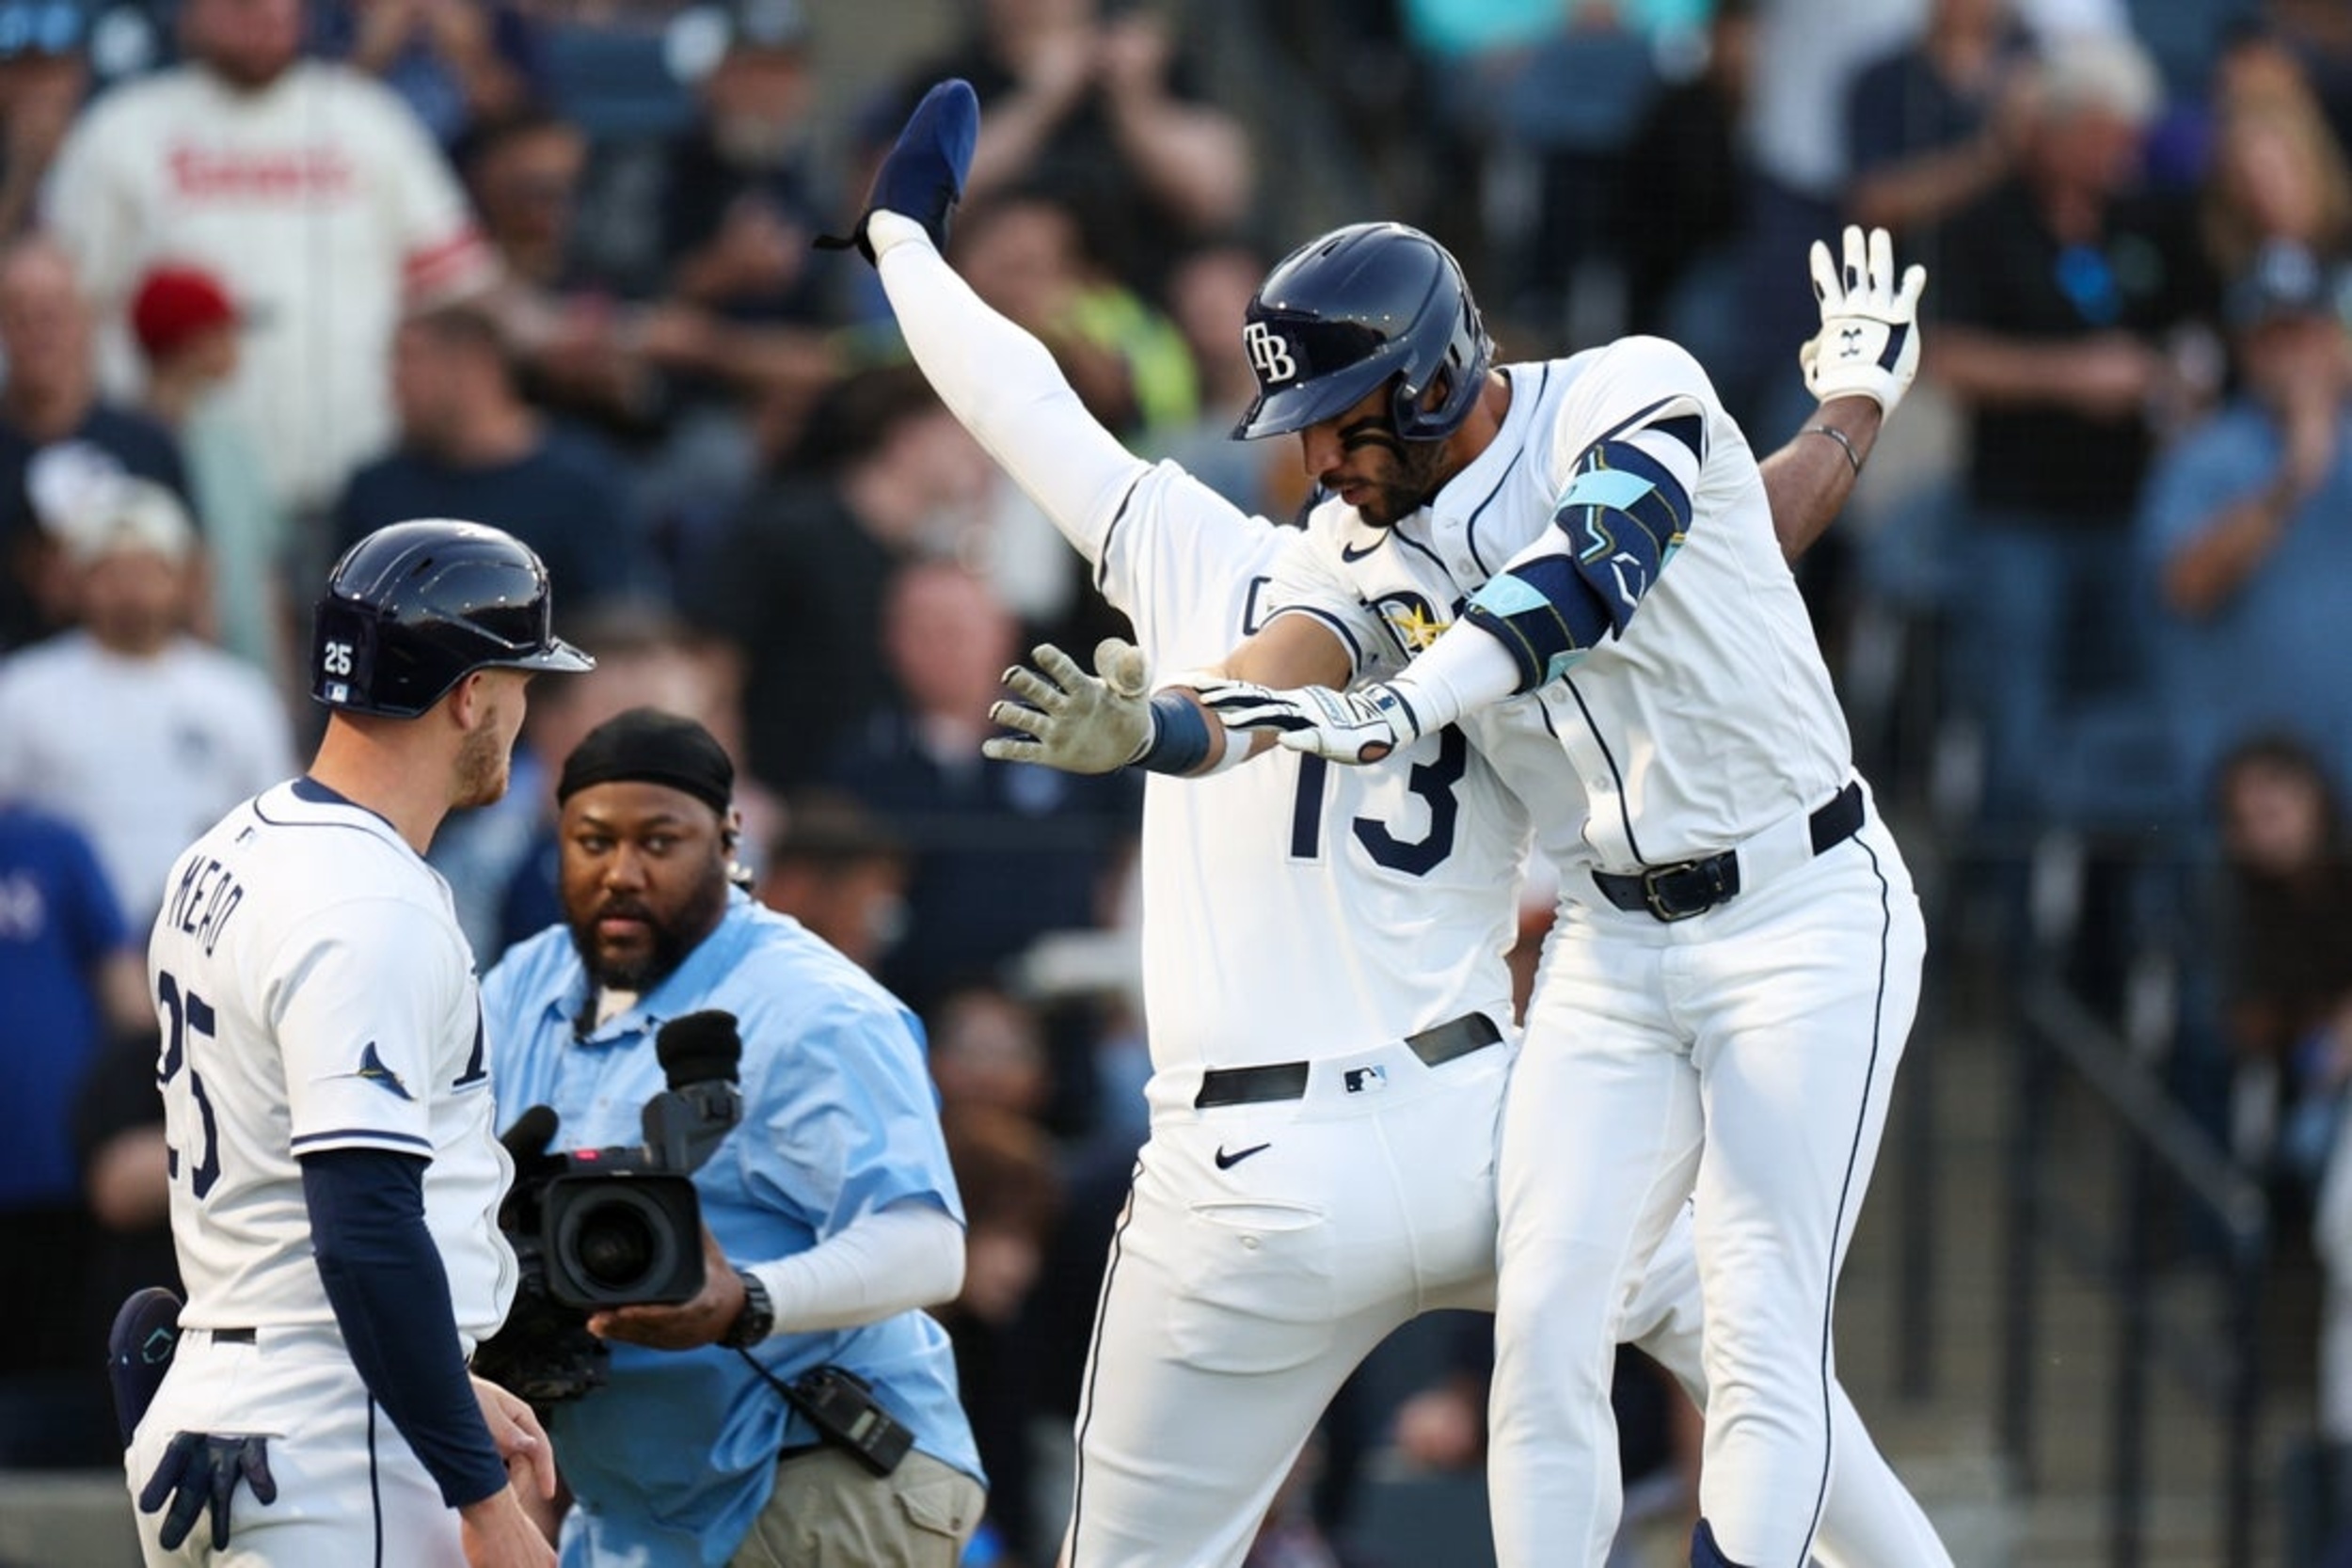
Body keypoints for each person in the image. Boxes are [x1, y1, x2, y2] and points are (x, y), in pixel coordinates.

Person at [847, 80, 1946, 1568]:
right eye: (1299, 428)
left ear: (1431, 385)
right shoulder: (1376, 571)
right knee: (1740, 1350)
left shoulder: (1216, 546)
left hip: (1254, 1168)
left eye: (1336, 422)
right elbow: (1310, 668)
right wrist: (1180, 727)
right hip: (1469, 1113)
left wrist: (907, 246)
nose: (1316, 461)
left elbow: (1025, 401)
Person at [125, 516, 591, 1564]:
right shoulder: (367, 900)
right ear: (470, 692)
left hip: (223, 1392)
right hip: (338, 1442)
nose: (521, 716)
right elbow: (364, 1228)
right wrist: (482, 1499)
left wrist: (446, 1380)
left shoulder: (226, 848)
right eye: (520, 684)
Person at [476, 705, 987, 1566]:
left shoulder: (815, 1008)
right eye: (593, 841)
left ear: (728, 839)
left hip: (819, 1464)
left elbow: (929, 1247)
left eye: (660, 841)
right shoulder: (524, 984)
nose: (623, 872)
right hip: (638, 1505)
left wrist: (745, 1299)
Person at [41, 0, 501, 522]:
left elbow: (458, 289)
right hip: (180, 481)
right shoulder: (121, 128)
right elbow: (59, 301)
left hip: (364, 476)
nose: (264, 16)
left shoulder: (367, 118)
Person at [0, 478, 292, 928]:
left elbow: (273, 831)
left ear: (183, 579)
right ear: (77, 582)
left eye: (147, 571)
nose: (129, 591)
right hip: (64, 940)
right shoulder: (23, 689)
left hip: (202, 940)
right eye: (110, 573)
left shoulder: (238, 695)